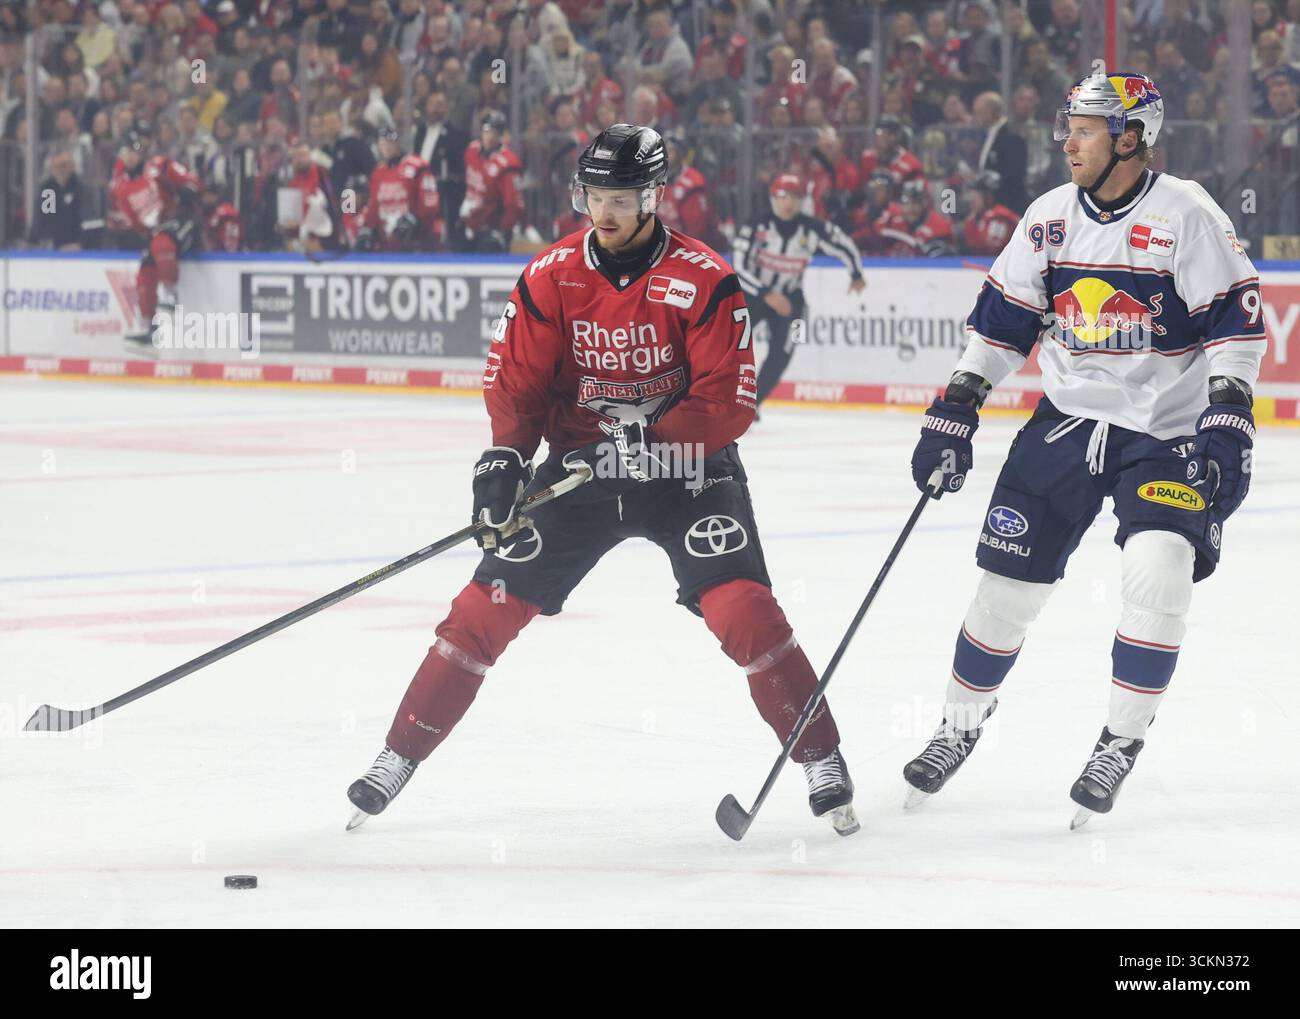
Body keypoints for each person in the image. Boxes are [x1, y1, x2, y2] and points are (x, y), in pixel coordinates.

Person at [346, 125, 861, 837]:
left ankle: (820, 757)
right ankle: (395, 755)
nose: (606, 211)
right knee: (480, 608)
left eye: (621, 197)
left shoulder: (704, 277)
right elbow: (518, 382)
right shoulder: (550, 275)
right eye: (595, 196)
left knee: (744, 610)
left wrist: (654, 440)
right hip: (581, 474)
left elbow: (729, 399)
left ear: (652, 195)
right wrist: (503, 460)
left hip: (687, 471)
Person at [904, 73, 1267, 827]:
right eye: (1067, 125)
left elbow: (1236, 323)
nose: (1066, 141)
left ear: (1130, 137)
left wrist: (1229, 415)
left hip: (1167, 432)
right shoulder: (1047, 218)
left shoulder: (1186, 214)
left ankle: (1120, 739)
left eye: (1086, 128)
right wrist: (958, 403)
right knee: (1007, 591)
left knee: (1159, 570)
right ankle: (957, 726)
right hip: (1066, 423)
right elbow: (1003, 321)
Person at [733, 173, 865, 406]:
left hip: (793, 301)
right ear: (773, 198)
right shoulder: (756, 225)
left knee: (786, 349)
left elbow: (844, 244)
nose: (788, 203)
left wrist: (856, 273)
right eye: (783, 196)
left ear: (802, 201)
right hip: (752, 296)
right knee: (730, 345)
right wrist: (767, 294)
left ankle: (751, 405)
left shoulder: (813, 228)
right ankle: (723, 397)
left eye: (794, 197)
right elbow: (739, 267)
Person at [109, 124, 202, 356]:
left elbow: (192, 182)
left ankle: (170, 293)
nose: (131, 156)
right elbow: (138, 223)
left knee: (161, 242)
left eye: (134, 150)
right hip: (160, 232)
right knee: (145, 272)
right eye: (126, 152)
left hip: (184, 221)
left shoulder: (159, 166)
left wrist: (188, 190)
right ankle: (149, 328)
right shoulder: (122, 188)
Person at [355, 127, 442, 252]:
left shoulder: (417, 166)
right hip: (387, 245)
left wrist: (416, 219)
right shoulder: (378, 173)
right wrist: (368, 228)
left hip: (417, 244)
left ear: (398, 143)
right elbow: (374, 206)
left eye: (390, 142)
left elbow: (430, 202)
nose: (387, 147)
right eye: (383, 143)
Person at [458, 109, 523, 252]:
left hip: (492, 231)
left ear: (501, 134)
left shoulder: (507, 163)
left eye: (495, 132)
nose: (490, 137)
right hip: (470, 225)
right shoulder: (471, 151)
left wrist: (503, 230)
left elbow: (513, 204)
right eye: (487, 131)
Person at [960, 170, 1020, 256]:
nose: (971, 200)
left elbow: (992, 250)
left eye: (976, 195)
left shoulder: (1000, 216)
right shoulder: (979, 217)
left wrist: (972, 222)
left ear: (989, 196)